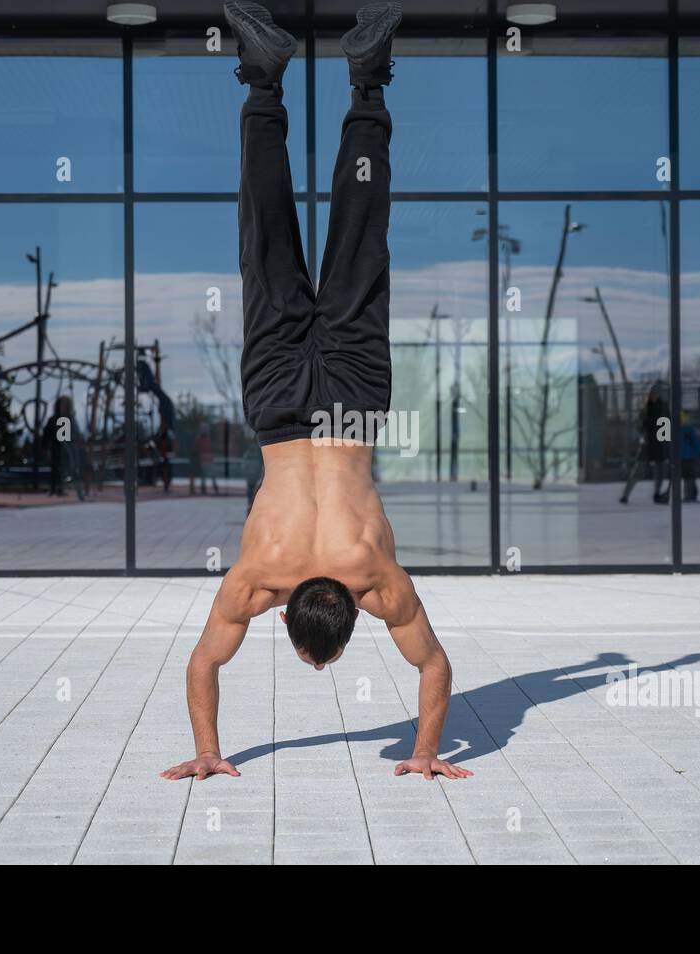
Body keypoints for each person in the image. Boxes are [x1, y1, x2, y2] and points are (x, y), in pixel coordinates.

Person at [162, 1, 471, 784]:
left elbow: (436, 672)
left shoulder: (374, 579)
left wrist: (426, 751)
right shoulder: (259, 578)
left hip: (352, 405)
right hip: (276, 409)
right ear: (295, 624)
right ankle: (263, 82)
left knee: (360, 240)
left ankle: (368, 85)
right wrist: (206, 751)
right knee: (264, 242)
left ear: (347, 615)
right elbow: (203, 665)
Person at [619, 383, 670, 505]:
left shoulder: (664, 408)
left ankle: (657, 494)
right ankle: (625, 495)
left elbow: (667, 427)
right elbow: (639, 426)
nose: (653, 395)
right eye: (651, 393)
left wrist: (665, 443)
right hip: (647, 444)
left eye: (655, 393)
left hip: (659, 444)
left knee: (660, 471)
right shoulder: (646, 408)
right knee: (638, 470)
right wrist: (643, 425)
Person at [680, 410, 700, 502]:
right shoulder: (687, 429)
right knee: (688, 476)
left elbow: (695, 443)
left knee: (688, 476)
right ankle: (691, 493)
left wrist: (697, 453)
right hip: (685, 456)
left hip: (687, 456)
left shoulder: (688, 429)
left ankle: (689, 494)